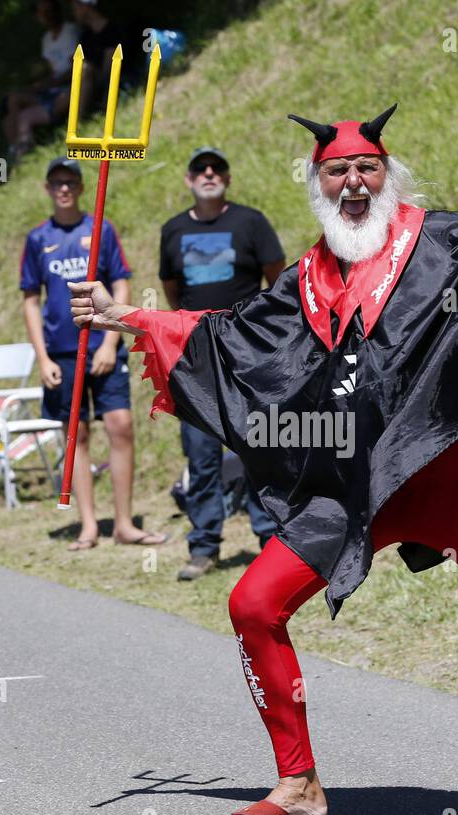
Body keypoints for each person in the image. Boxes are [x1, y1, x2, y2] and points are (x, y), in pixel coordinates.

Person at [71, 105, 458, 815]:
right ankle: (297, 785)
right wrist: (129, 318)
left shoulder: (447, 243)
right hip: (353, 492)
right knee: (253, 604)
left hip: (450, 480)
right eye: (338, 172)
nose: (353, 183)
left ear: (386, 177)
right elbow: (231, 334)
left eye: (366, 169)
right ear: (318, 184)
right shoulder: (306, 278)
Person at [21, 156, 167, 549]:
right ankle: (88, 525)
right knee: (76, 434)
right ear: (48, 189)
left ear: (82, 187)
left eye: (70, 182)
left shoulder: (100, 228)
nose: (64, 188)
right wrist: (43, 357)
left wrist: (110, 342)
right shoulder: (38, 239)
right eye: (56, 183)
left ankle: (123, 523)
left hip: (102, 348)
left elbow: (120, 284)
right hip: (63, 352)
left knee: (120, 425)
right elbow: (31, 300)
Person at [159, 146, 285, 581]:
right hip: (194, 361)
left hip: (247, 358)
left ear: (227, 179)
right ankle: (204, 546)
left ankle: (271, 540)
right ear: (188, 179)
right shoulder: (172, 230)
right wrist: (193, 330)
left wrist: (258, 335)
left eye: (217, 168)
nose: (209, 173)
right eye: (200, 169)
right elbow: (171, 290)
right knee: (201, 455)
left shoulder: (250, 222)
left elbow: (277, 281)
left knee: (257, 448)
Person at [3, 0, 81, 164]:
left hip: (66, 87)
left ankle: (19, 151)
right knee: (12, 100)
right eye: (42, 13)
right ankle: (16, 149)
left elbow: (77, 68)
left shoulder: (71, 31)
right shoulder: (46, 39)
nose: (48, 16)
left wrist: (50, 83)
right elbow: (52, 70)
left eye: (50, 10)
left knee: (20, 114)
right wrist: (41, 83)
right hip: (52, 89)